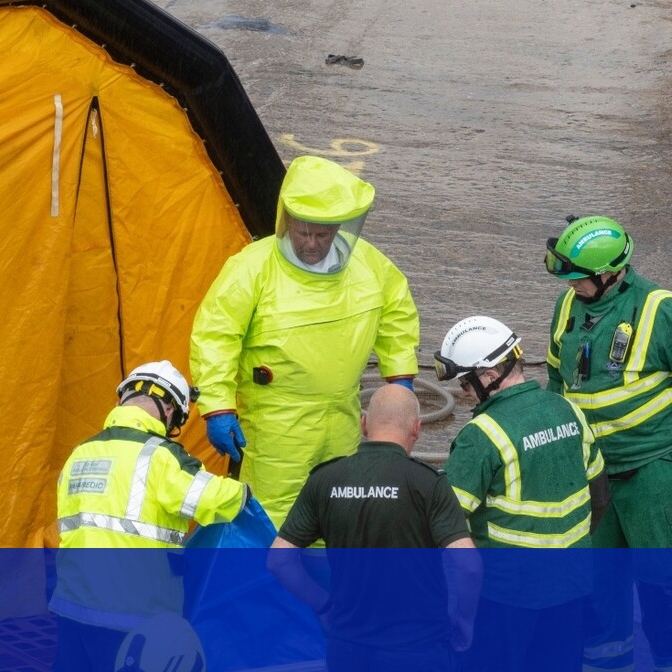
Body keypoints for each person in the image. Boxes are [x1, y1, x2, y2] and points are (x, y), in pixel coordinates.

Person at [543, 215, 672, 671]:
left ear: (611, 272)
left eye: (579, 279)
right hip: (595, 476)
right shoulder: (568, 307)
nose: (572, 287)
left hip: (658, 471)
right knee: (596, 590)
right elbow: (557, 382)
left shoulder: (662, 311)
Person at [191, 155, 420, 527]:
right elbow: (215, 336)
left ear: (337, 229)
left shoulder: (369, 265)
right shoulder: (253, 268)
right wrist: (217, 407)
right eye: (303, 233)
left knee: (338, 508)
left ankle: (320, 582)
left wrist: (401, 378)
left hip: (342, 416)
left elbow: (396, 312)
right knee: (273, 513)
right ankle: (273, 583)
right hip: (276, 423)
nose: (312, 243)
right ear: (287, 222)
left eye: (322, 234)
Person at [51, 361, 250, 672]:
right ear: (170, 410)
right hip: (132, 615)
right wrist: (245, 492)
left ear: (122, 400)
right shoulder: (160, 456)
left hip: (71, 607)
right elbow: (212, 499)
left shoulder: (79, 453)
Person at [434, 316, 608, 672]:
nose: (466, 394)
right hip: (572, 586)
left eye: (466, 384)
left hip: (506, 596)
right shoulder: (567, 409)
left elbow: (444, 523)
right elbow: (600, 496)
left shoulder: (481, 435)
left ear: (487, 376)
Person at [267, 385, 481, 672]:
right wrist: (464, 623)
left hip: (349, 649)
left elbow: (279, 560)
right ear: (417, 429)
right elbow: (468, 565)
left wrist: (324, 605)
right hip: (419, 649)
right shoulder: (428, 483)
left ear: (364, 424)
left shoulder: (325, 479)